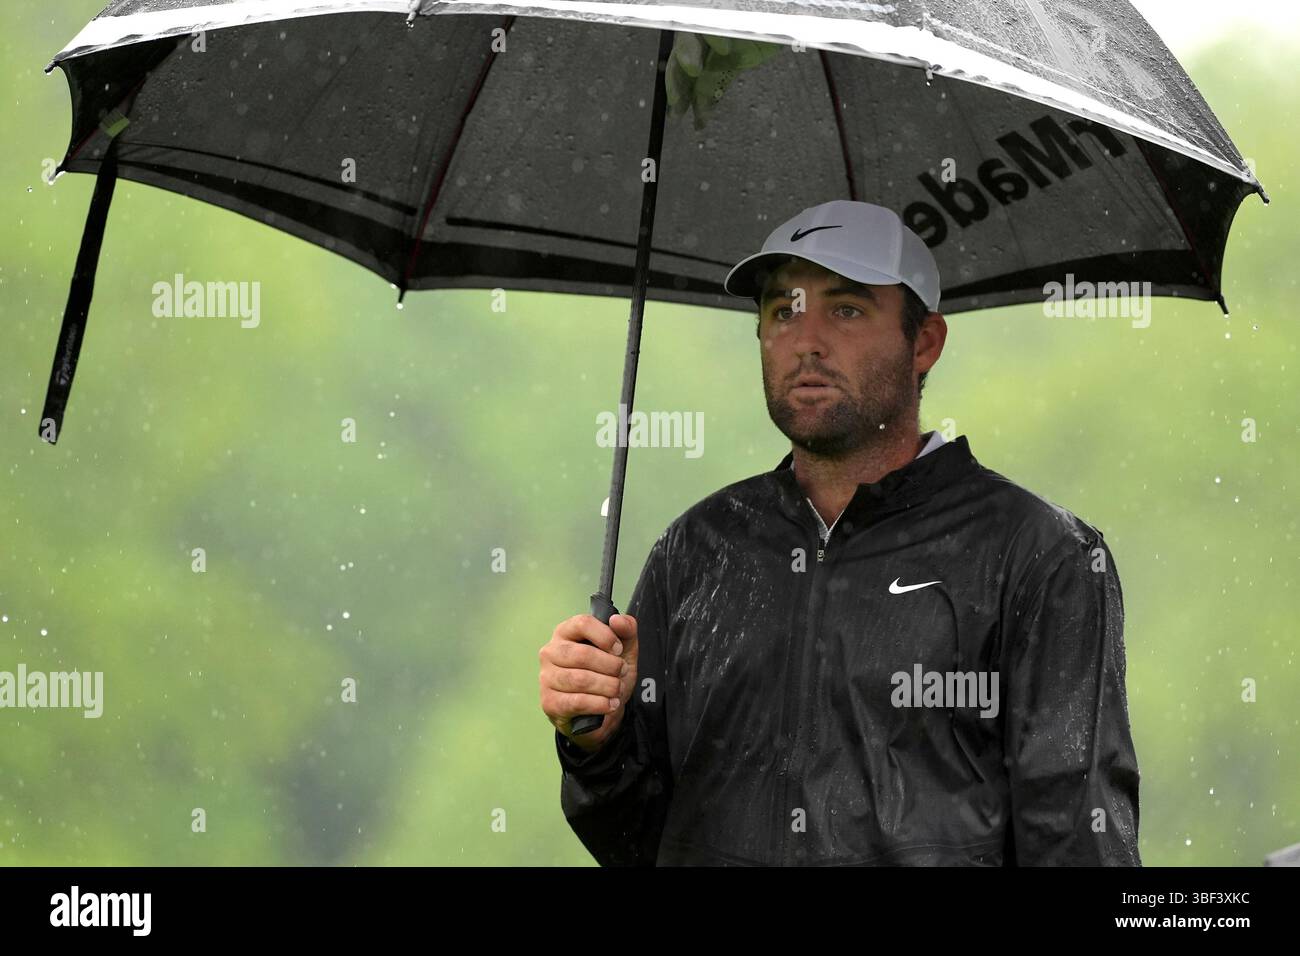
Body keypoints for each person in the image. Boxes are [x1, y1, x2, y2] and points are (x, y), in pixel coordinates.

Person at [537, 199, 1141, 866]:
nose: (807, 340)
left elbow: (1078, 843)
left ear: (926, 342)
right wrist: (597, 746)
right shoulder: (695, 552)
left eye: (846, 309)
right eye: (782, 310)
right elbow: (639, 842)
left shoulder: (1042, 557)